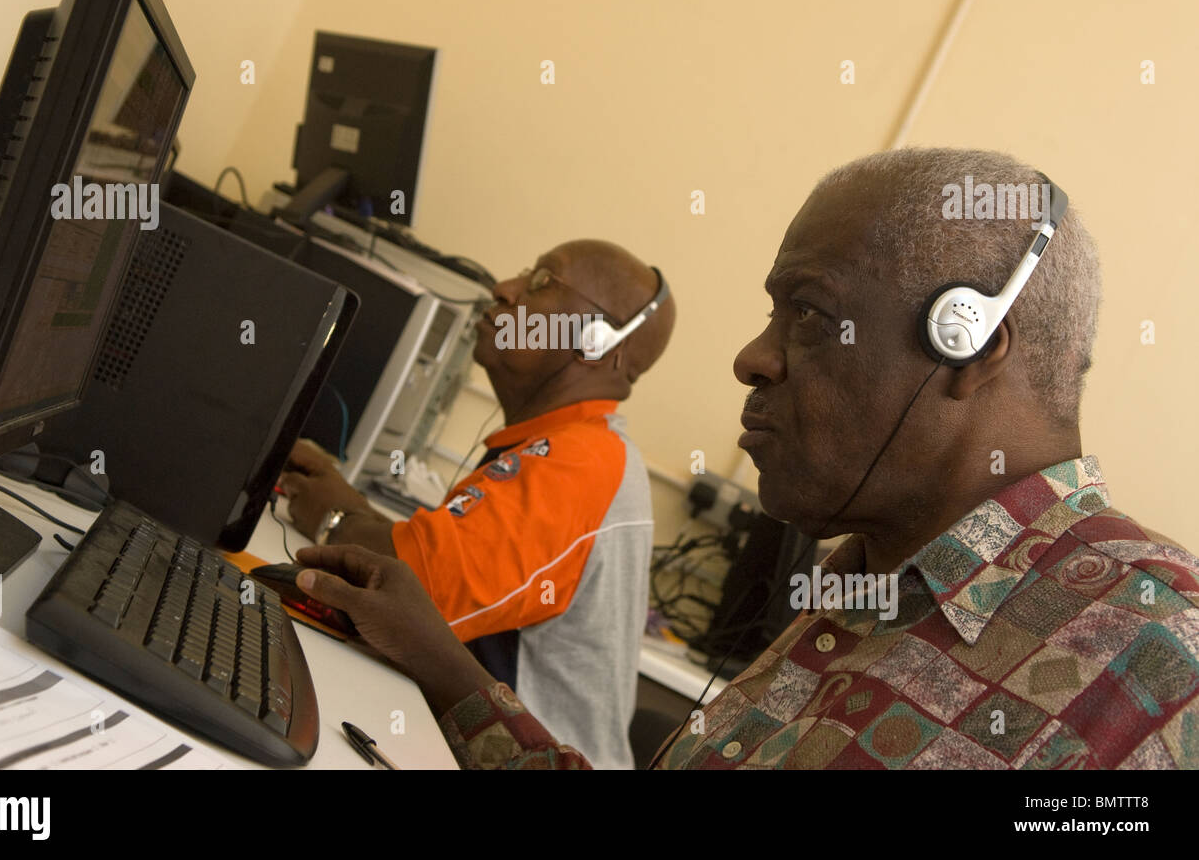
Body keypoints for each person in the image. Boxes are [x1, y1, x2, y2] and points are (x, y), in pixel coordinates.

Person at [291, 148, 1199, 769]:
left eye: (805, 313)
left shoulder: (1162, 646)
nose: (752, 358)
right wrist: (448, 674)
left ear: (967, 344)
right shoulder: (865, 586)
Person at [278, 239, 676, 768]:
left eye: (540, 283)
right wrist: (353, 505)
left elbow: (414, 596)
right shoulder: (573, 442)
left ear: (597, 343)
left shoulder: (585, 461)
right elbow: (448, 552)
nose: (503, 289)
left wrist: (334, 519)